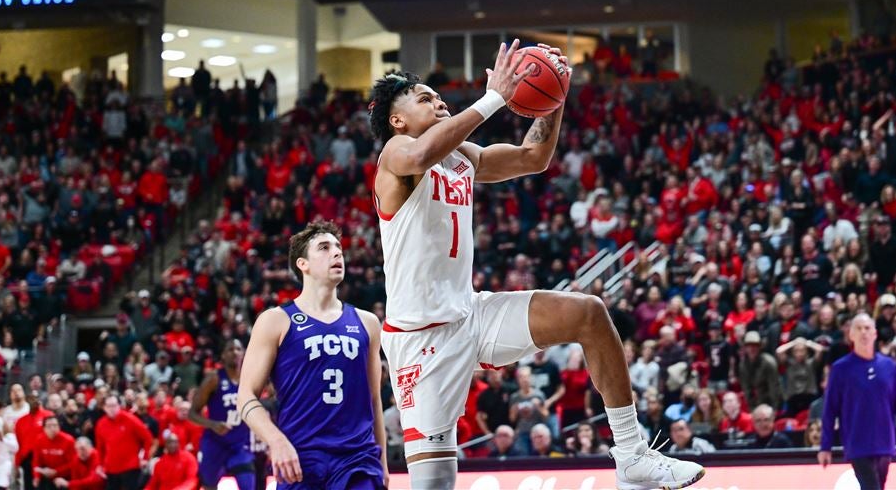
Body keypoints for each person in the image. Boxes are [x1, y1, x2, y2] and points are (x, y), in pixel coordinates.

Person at [368, 47, 705, 490]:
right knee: (434, 485)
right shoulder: (397, 153)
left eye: (437, 97)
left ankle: (631, 454)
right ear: (398, 120)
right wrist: (492, 98)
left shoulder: (461, 157)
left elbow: (533, 157)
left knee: (588, 313)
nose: (439, 102)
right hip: (420, 339)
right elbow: (417, 158)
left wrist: (554, 96)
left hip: (472, 315)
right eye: (425, 99)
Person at [237, 223, 386, 489]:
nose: (337, 253)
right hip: (300, 457)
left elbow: (374, 401)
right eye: (325, 248)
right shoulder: (275, 321)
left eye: (339, 248)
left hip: (357, 459)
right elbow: (245, 396)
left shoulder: (368, 323)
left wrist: (383, 465)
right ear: (302, 264)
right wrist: (276, 441)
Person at [819, 314, 896, 490]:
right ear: (851, 335)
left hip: (884, 442)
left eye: (867, 328)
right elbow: (830, 410)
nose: (863, 332)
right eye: (859, 328)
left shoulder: (889, 366)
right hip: (857, 443)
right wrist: (825, 446)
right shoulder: (840, 369)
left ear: (875, 334)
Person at [190, 340, 254, 490]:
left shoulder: (250, 378)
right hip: (215, 443)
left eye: (238, 349)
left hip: (240, 444)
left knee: (248, 485)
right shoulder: (214, 378)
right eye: (230, 349)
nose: (235, 352)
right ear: (223, 355)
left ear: (243, 353)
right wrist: (212, 424)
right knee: (209, 486)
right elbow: (192, 413)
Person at [93, 394, 153, 490]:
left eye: (114, 405)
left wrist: (145, 458)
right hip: (111, 467)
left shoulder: (130, 419)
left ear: (119, 406)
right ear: (104, 408)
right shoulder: (100, 424)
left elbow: (148, 437)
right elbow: (100, 447)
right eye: (109, 406)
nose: (112, 409)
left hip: (130, 466)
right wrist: (100, 465)